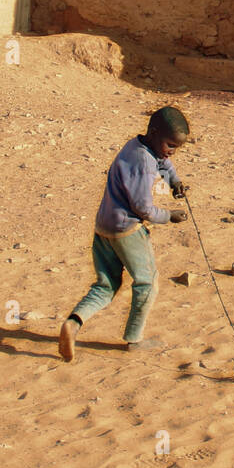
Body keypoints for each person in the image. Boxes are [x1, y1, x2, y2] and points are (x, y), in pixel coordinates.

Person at [58, 106, 189, 360]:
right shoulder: (143, 163)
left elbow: (163, 162)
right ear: (153, 134)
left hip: (104, 227)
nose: (173, 152)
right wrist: (169, 216)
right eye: (170, 145)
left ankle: (73, 323)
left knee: (106, 285)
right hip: (126, 230)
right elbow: (143, 208)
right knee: (147, 282)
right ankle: (134, 339)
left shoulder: (138, 146)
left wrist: (174, 182)